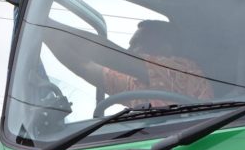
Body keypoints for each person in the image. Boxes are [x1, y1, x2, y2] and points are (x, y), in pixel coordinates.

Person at [43, 18, 213, 106]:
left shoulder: (182, 69)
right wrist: (43, 34)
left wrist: (44, 23)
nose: (130, 51)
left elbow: (107, 54)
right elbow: (83, 65)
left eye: (139, 44)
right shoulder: (136, 82)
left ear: (166, 48)